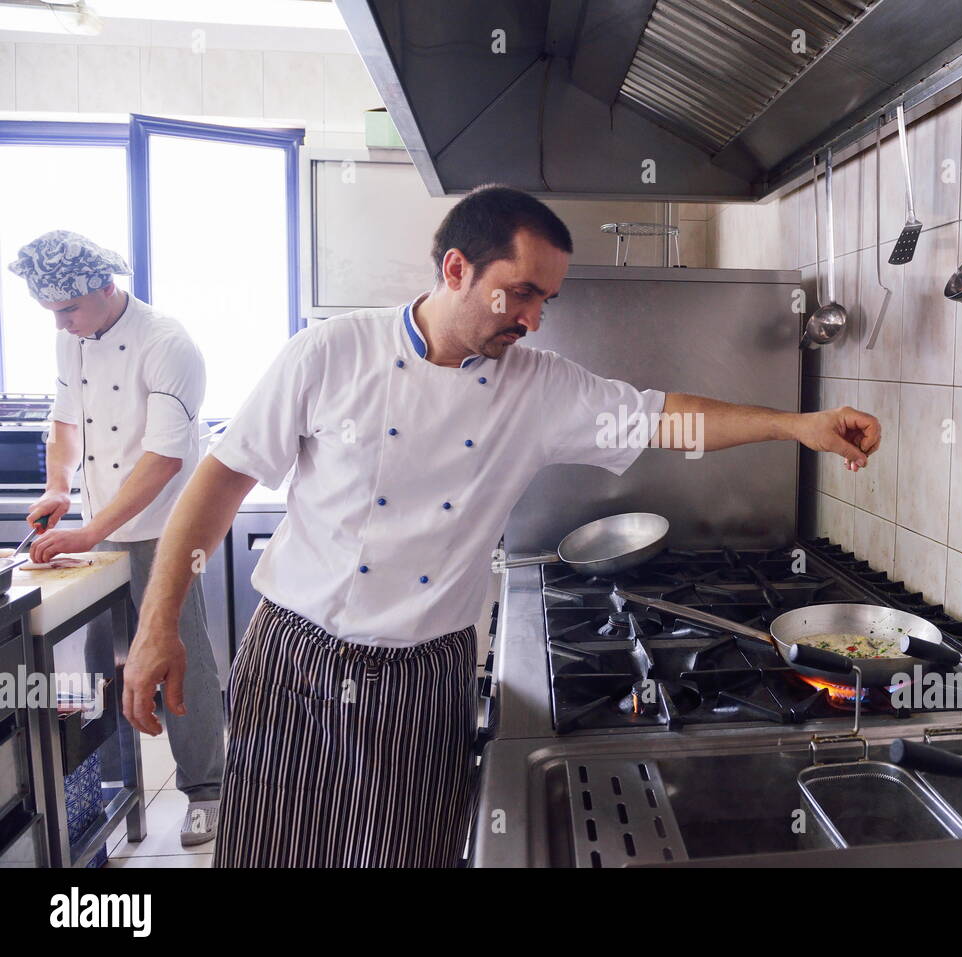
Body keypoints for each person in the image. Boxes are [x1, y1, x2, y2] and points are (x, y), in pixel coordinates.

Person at [122, 185, 882, 867]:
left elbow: (663, 417)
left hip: (423, 676)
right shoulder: (331, 351)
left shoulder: (539, 388)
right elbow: (217, 482)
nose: (533, 318)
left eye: (545, 300)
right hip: (297, 657)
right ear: (457, 270)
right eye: (521, 294)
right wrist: (159, 624)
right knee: (270, 851)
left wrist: (797, 423)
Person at [8, 230, 225, 847]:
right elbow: (65, 418)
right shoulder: (69, 338)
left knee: (181, 657)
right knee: (99, 666)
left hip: (167, 527)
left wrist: (88, 530)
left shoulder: (167, 344)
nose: (62, 323)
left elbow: (162, 459)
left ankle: (207, 790)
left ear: (108, 287)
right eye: (52, 313)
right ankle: (99, 788)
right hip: (100, 525)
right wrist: (58, 487)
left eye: (69, 309)